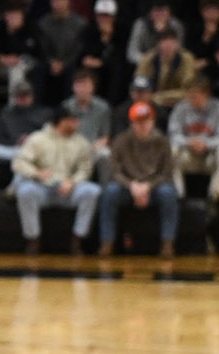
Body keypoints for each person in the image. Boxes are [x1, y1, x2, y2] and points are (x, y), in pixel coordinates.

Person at [11, 103, 101, 253]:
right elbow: (19, 162)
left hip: (68, 189)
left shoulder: (81, 142)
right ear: (63, 121)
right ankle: (33, 239)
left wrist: (73, 181)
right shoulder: (38, 138)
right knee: (25, 191)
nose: (77, 124)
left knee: (92, 191)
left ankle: (77, 239)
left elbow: (85, 168)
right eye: (74, 120)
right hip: (43, 188)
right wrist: (36, 173)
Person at [98, 101, 179, 258]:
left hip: (154, 187)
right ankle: (106, 242)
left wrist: (148, 186)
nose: (142, 125)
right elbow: (114, 172)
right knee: (110, 192)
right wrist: (131, 185)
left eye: (146, 121)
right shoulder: (120, 141)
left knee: (168, 193)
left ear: (153, 122)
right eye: (138, 121)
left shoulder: (162, 142)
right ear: (132, 122)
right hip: (128, 186)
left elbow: (166, 173)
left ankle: (167, 243)